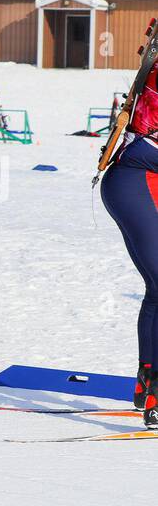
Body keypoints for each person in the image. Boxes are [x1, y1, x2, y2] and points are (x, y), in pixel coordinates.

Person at [100, 65, 158, 429]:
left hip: (137, 179)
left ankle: (147, 382)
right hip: (135, 178)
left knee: (157, 289)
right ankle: (154, 392)